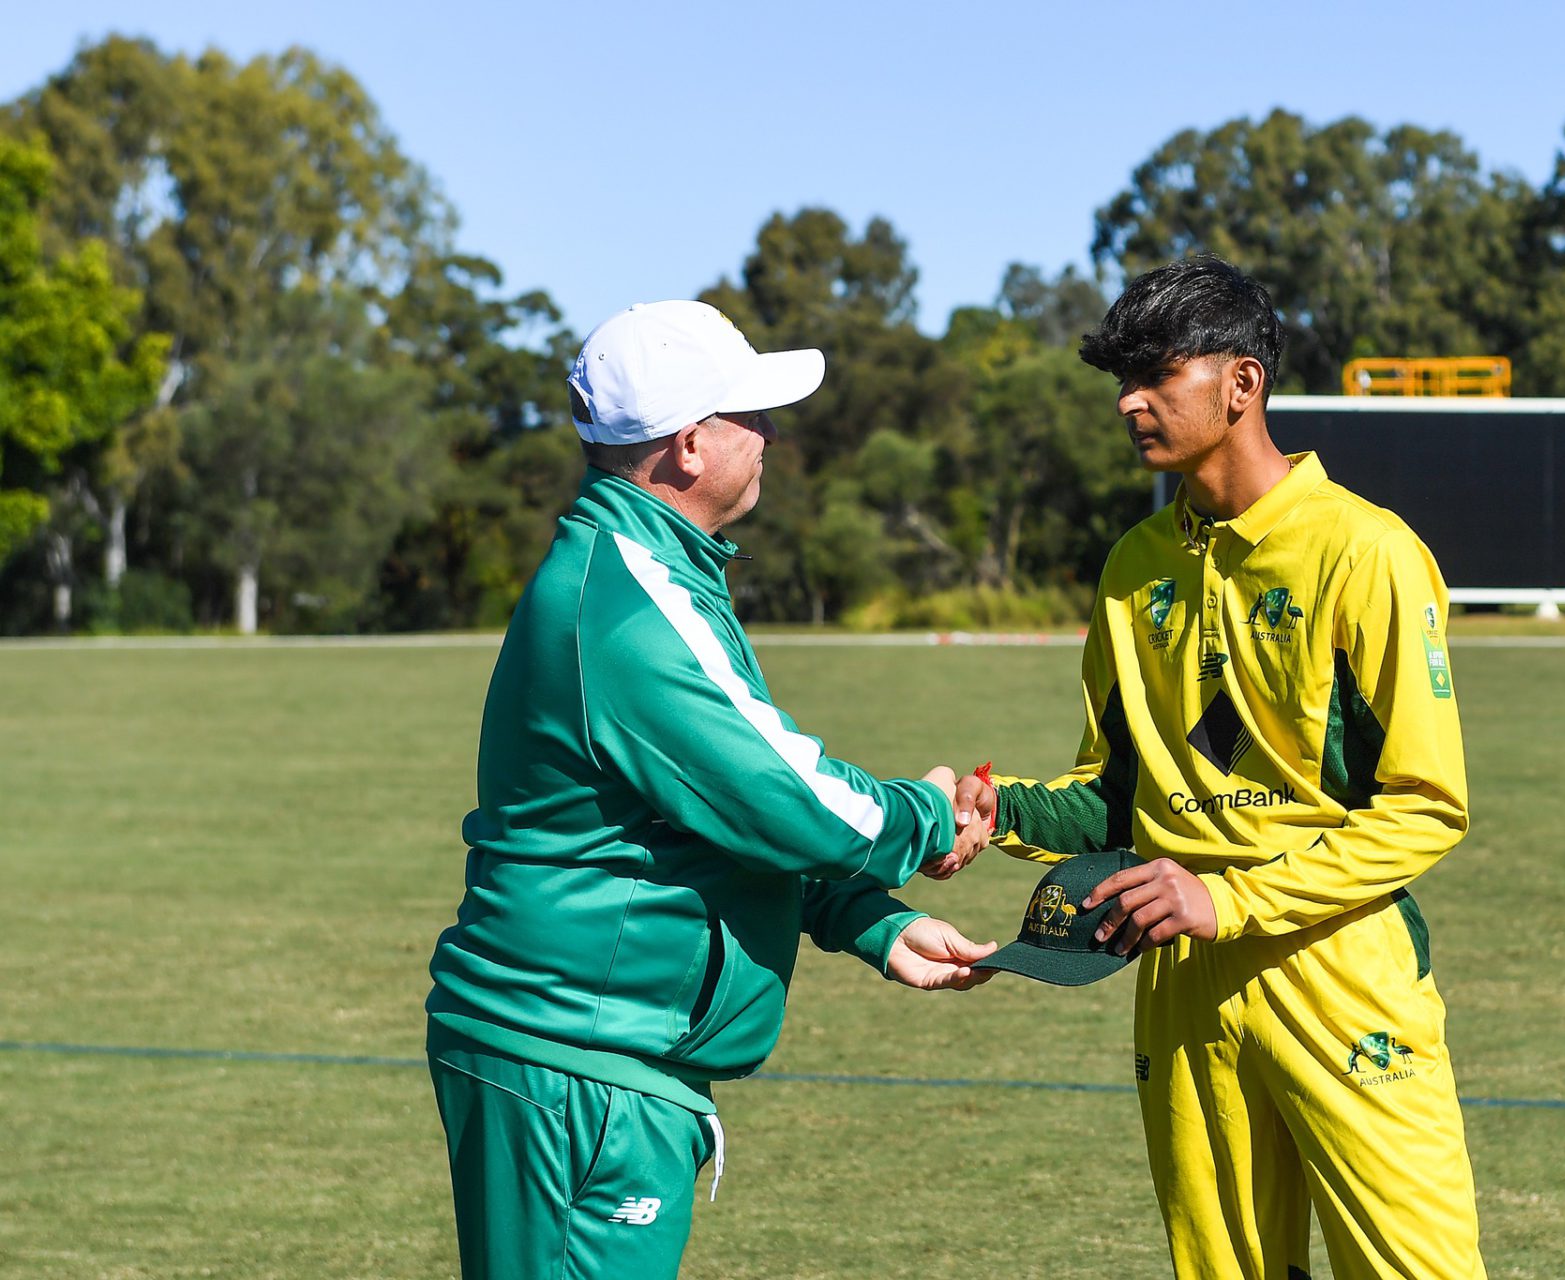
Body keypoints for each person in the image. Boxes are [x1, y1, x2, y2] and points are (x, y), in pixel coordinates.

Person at [424, 300, 995, 1280]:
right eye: (751, 414)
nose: (770, 434)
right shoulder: (631, 600)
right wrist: (925, 816)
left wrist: (869, 919)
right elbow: (791, 799)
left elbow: (709, 811)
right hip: (577, 1059)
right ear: (690, 445)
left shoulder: (649, 572)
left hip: (592, 1052)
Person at [954, 257, 1485, 1279]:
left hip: (1337, 969)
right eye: (1122, 378)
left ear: (1242, 384)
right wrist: (994, 809)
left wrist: (1231, 898)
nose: (1129, 401)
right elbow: (1116, 792)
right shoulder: (1133, 566)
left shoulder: (1366, 553)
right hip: (1182, 978)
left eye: (1157, 372)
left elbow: (1424, 807)